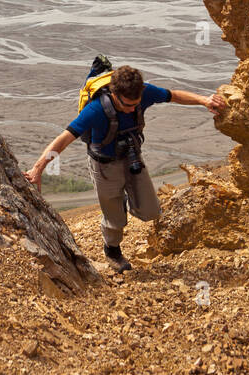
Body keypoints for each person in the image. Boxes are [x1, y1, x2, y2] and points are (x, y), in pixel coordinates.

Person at [23, 64, 226, 271]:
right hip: (104, 165)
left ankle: (124, 200)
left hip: (132, 157)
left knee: (150, 211)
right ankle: (112, 250)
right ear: (114, 93)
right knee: (115, 218)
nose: (131, 109)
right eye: (127, 105)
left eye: (135, 104)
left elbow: (173, 95)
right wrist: (38, 169)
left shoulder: (143, 92)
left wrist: (204, 101)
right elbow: (63, 139)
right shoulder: (96, 110)